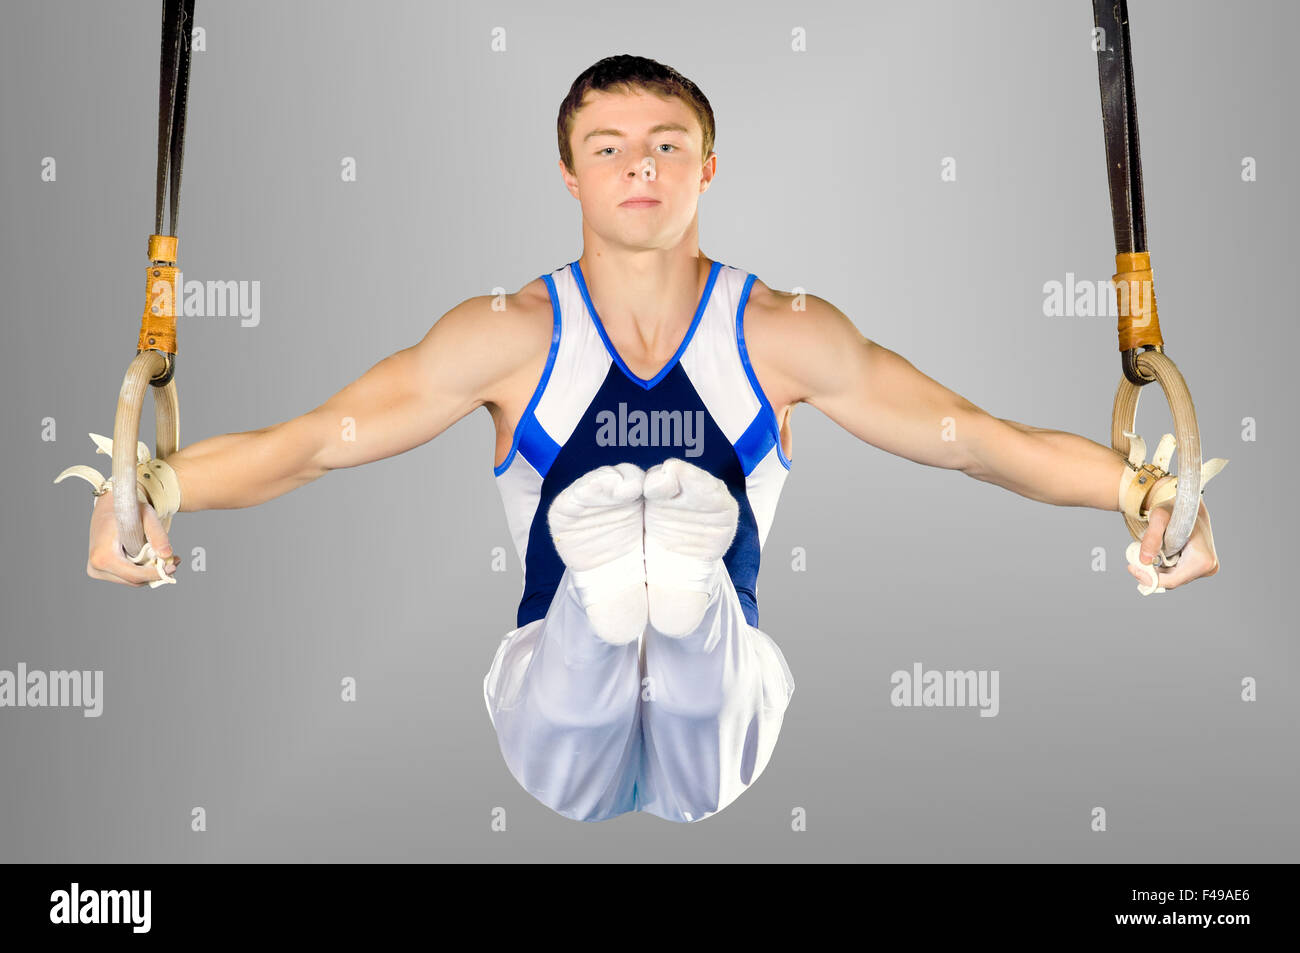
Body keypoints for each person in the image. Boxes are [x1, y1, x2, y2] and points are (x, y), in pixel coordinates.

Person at [71, 55, 1223, 823]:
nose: (640, 164)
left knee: (709, 701)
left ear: (708, 168)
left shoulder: (783, 332)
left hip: (719, 712)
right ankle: (617, 592)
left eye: (669, 143)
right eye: (611, 144)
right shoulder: (507, 333)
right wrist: (155, 485)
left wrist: (1141, 494)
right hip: (545, 695)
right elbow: (318, 440)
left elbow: (972, 438)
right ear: (568, 170)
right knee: (571, 702)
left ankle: (667, 588)